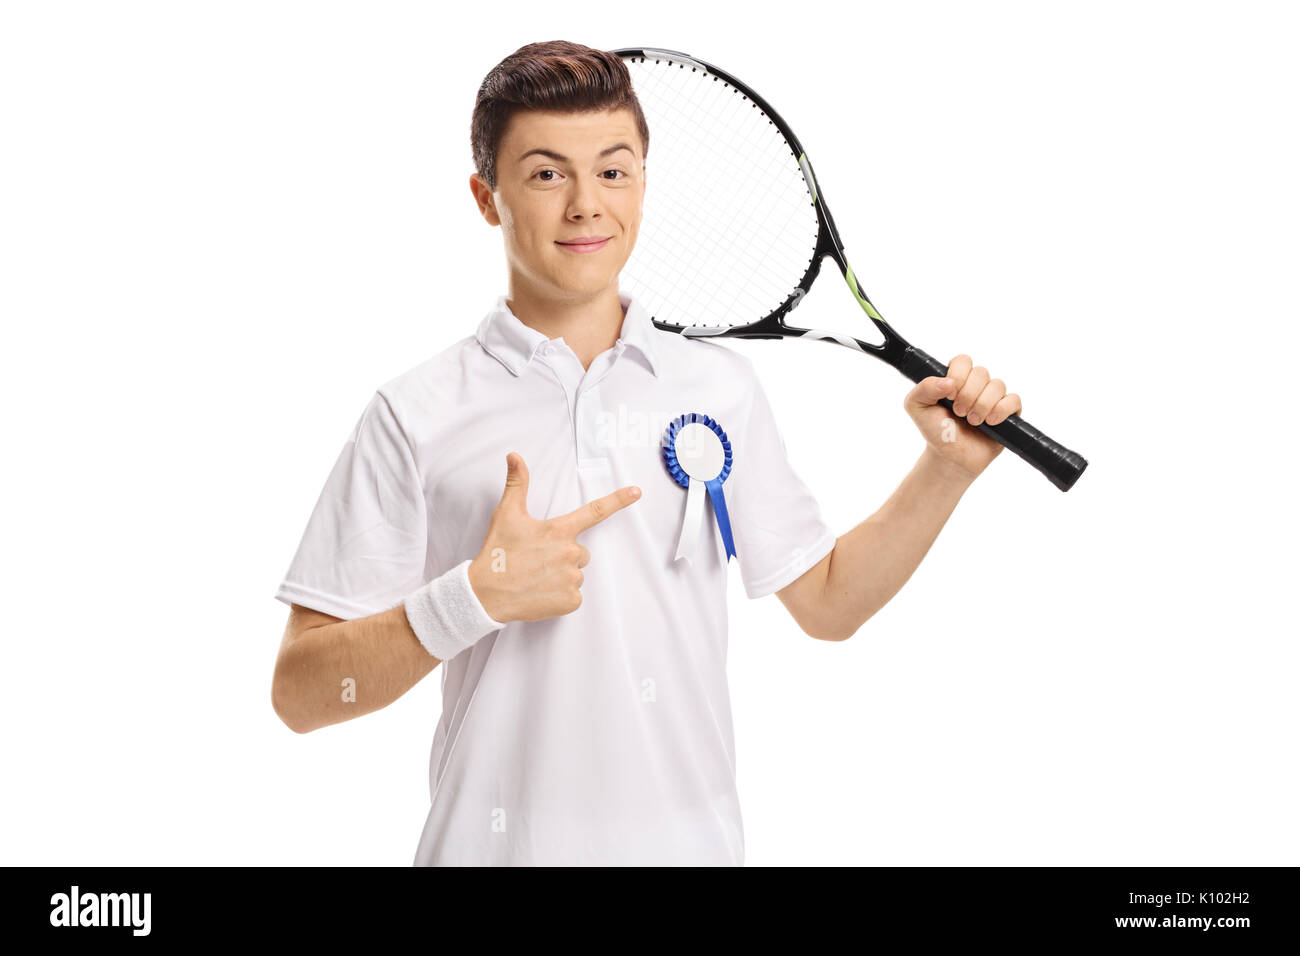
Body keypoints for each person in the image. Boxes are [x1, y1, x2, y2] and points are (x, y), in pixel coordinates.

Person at [270, 40, 1024, 866]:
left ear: (642, 185)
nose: (587, 205)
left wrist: (946, 468)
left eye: (615, 171)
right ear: (487, 198)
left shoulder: (720, 389)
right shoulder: (411, 413)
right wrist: (472, 597)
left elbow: (830, 604)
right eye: (548, 174)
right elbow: (304, 694)